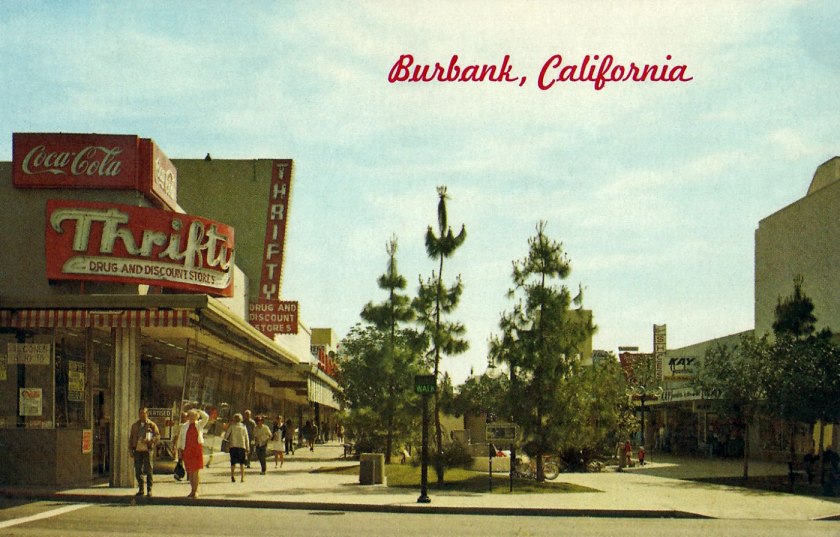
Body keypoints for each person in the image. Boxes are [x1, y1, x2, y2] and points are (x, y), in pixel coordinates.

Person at [177, 407, 209, 498]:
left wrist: (199, 411)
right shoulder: (184, 426)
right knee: (190, 471)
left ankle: (196, 490)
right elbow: (180, 439)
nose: (192, 417)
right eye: (190, 415)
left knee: (196, 471)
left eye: (194, 416)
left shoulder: (199, 425)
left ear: (197, 417)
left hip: (196, 450)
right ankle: (192, 490)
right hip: (187, 450)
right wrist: (179, 450)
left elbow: (206, 417)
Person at [128, 407, 160, 497]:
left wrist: (150, 440)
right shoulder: (135, 425)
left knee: (149, 469)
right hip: (137, 450)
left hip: (147, 449)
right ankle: (141, 488)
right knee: (138, 469)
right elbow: (131, 438)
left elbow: (157, 436)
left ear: (147, 414)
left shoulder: (151, 425)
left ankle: (149, 489)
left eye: (144, 413)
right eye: (140, 413)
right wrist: (130, 449)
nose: (142, 415)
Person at [224, 413, 250, 482]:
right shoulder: (244, 427)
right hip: (242, 446)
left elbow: (226, 435)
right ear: (241, 419)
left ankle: (232, 476)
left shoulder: (232, 426)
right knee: (242, 463)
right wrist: (247, 447)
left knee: (233, 462)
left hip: (233, 446)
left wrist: (226, 441)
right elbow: (246, 438)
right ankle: (242, 477)